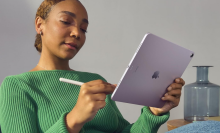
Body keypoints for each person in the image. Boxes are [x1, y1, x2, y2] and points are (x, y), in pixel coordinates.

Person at [0, 0, 185, 133]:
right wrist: (73, 120)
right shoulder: (17, 86)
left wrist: (154, 111)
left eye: (83, 28)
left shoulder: (93, 81)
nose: (76, 33)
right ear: (40, 24)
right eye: (66, 21)